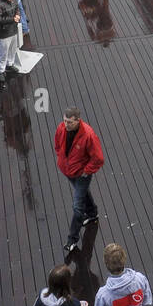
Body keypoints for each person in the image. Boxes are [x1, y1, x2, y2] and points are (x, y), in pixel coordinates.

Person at [56, 106, 105, 257]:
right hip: (68, 171)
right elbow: (58, 145)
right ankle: (92, 213)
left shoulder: (88, 135)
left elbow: (98, 158)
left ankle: (72, 239)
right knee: (82, 193)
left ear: (78, 120)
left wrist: (86, 171)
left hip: (81, 174)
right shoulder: (61, 128)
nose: (66, 125)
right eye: (65, 121)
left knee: (77, 208)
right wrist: (61, 159)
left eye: (69, 122)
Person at [0, 0, 21, 82]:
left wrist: (17, 15)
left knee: (12, 49)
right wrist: (13, 19)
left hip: (12, 30)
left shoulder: (12, 0)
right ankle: (0, 71)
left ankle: (10, 64)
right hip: (3, 33)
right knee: (3, 53)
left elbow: (17, 8)